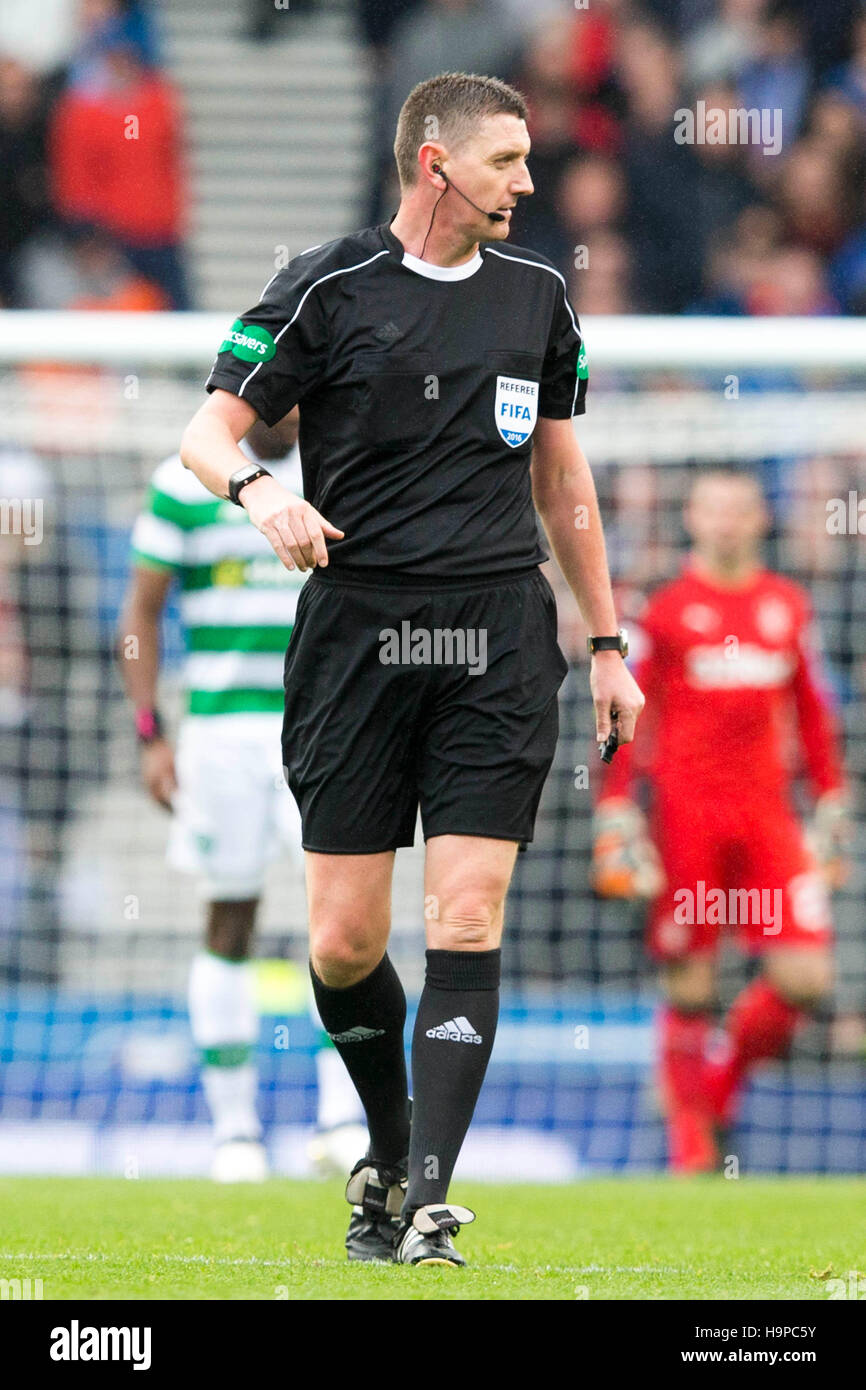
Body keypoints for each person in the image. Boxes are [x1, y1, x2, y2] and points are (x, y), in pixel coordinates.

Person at [180, 71, 643, 1266]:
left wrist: (603, 640)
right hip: (356, 640)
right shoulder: (327, 287)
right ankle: (386, 1150)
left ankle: (429, 1196)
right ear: (433, 163)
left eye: (528, 160)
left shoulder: (539, 297)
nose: (525, 184)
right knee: (340, 942)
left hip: (494, 637)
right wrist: (261, 491)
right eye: (504, 163)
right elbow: (203, 432)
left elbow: (562, 482)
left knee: (466, 913)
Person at [119, 409, 366, 1182]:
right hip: (222, 734)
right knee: (230, 916)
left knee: (343, 921)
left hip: (326, 727)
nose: (297, 410)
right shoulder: (183, 480)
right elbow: (141, 614)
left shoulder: (341, 469)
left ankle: (339, 1123)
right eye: (284, 395)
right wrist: (151, 732)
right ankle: (234, 1135)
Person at [592, 470, 851, 1172]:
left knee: (804, 976)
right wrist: (615, 809)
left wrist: (831, 798)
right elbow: (628, 715)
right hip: (687, 817)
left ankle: (714, 1086)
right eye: (716, 509)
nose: (729, 522)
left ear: (761, 518)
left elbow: (814, 712)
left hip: (770, 816)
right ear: (694, 520)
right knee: (690, 983)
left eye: (741, 509)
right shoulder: (666, 610)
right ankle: (691, 1153)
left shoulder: (787, 606)